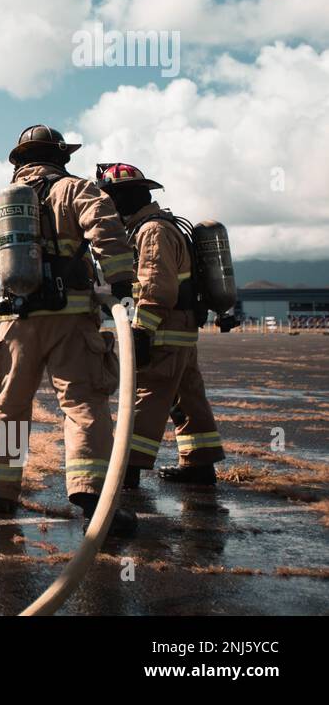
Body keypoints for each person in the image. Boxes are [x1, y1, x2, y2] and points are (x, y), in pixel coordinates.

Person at [0, 125, 139, 536]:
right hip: (70, 316)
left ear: (20, 162)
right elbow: (104, 225)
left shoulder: (2, 205)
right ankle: (90, 493)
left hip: (16, 321)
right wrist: (120, 279)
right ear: (61, 157)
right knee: (83, 404)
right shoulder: (76, 190)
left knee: (9, 405)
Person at [97, 162, 224, 487]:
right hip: (179, 329)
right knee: (187, 396)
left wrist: (142, 330)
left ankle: (127, 469)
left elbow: (157, 287)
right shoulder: (157, 226)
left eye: (111, 199)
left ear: (125, 198)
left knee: (147, 395)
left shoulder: (152, 231)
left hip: (163, 331)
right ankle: (200, 462)